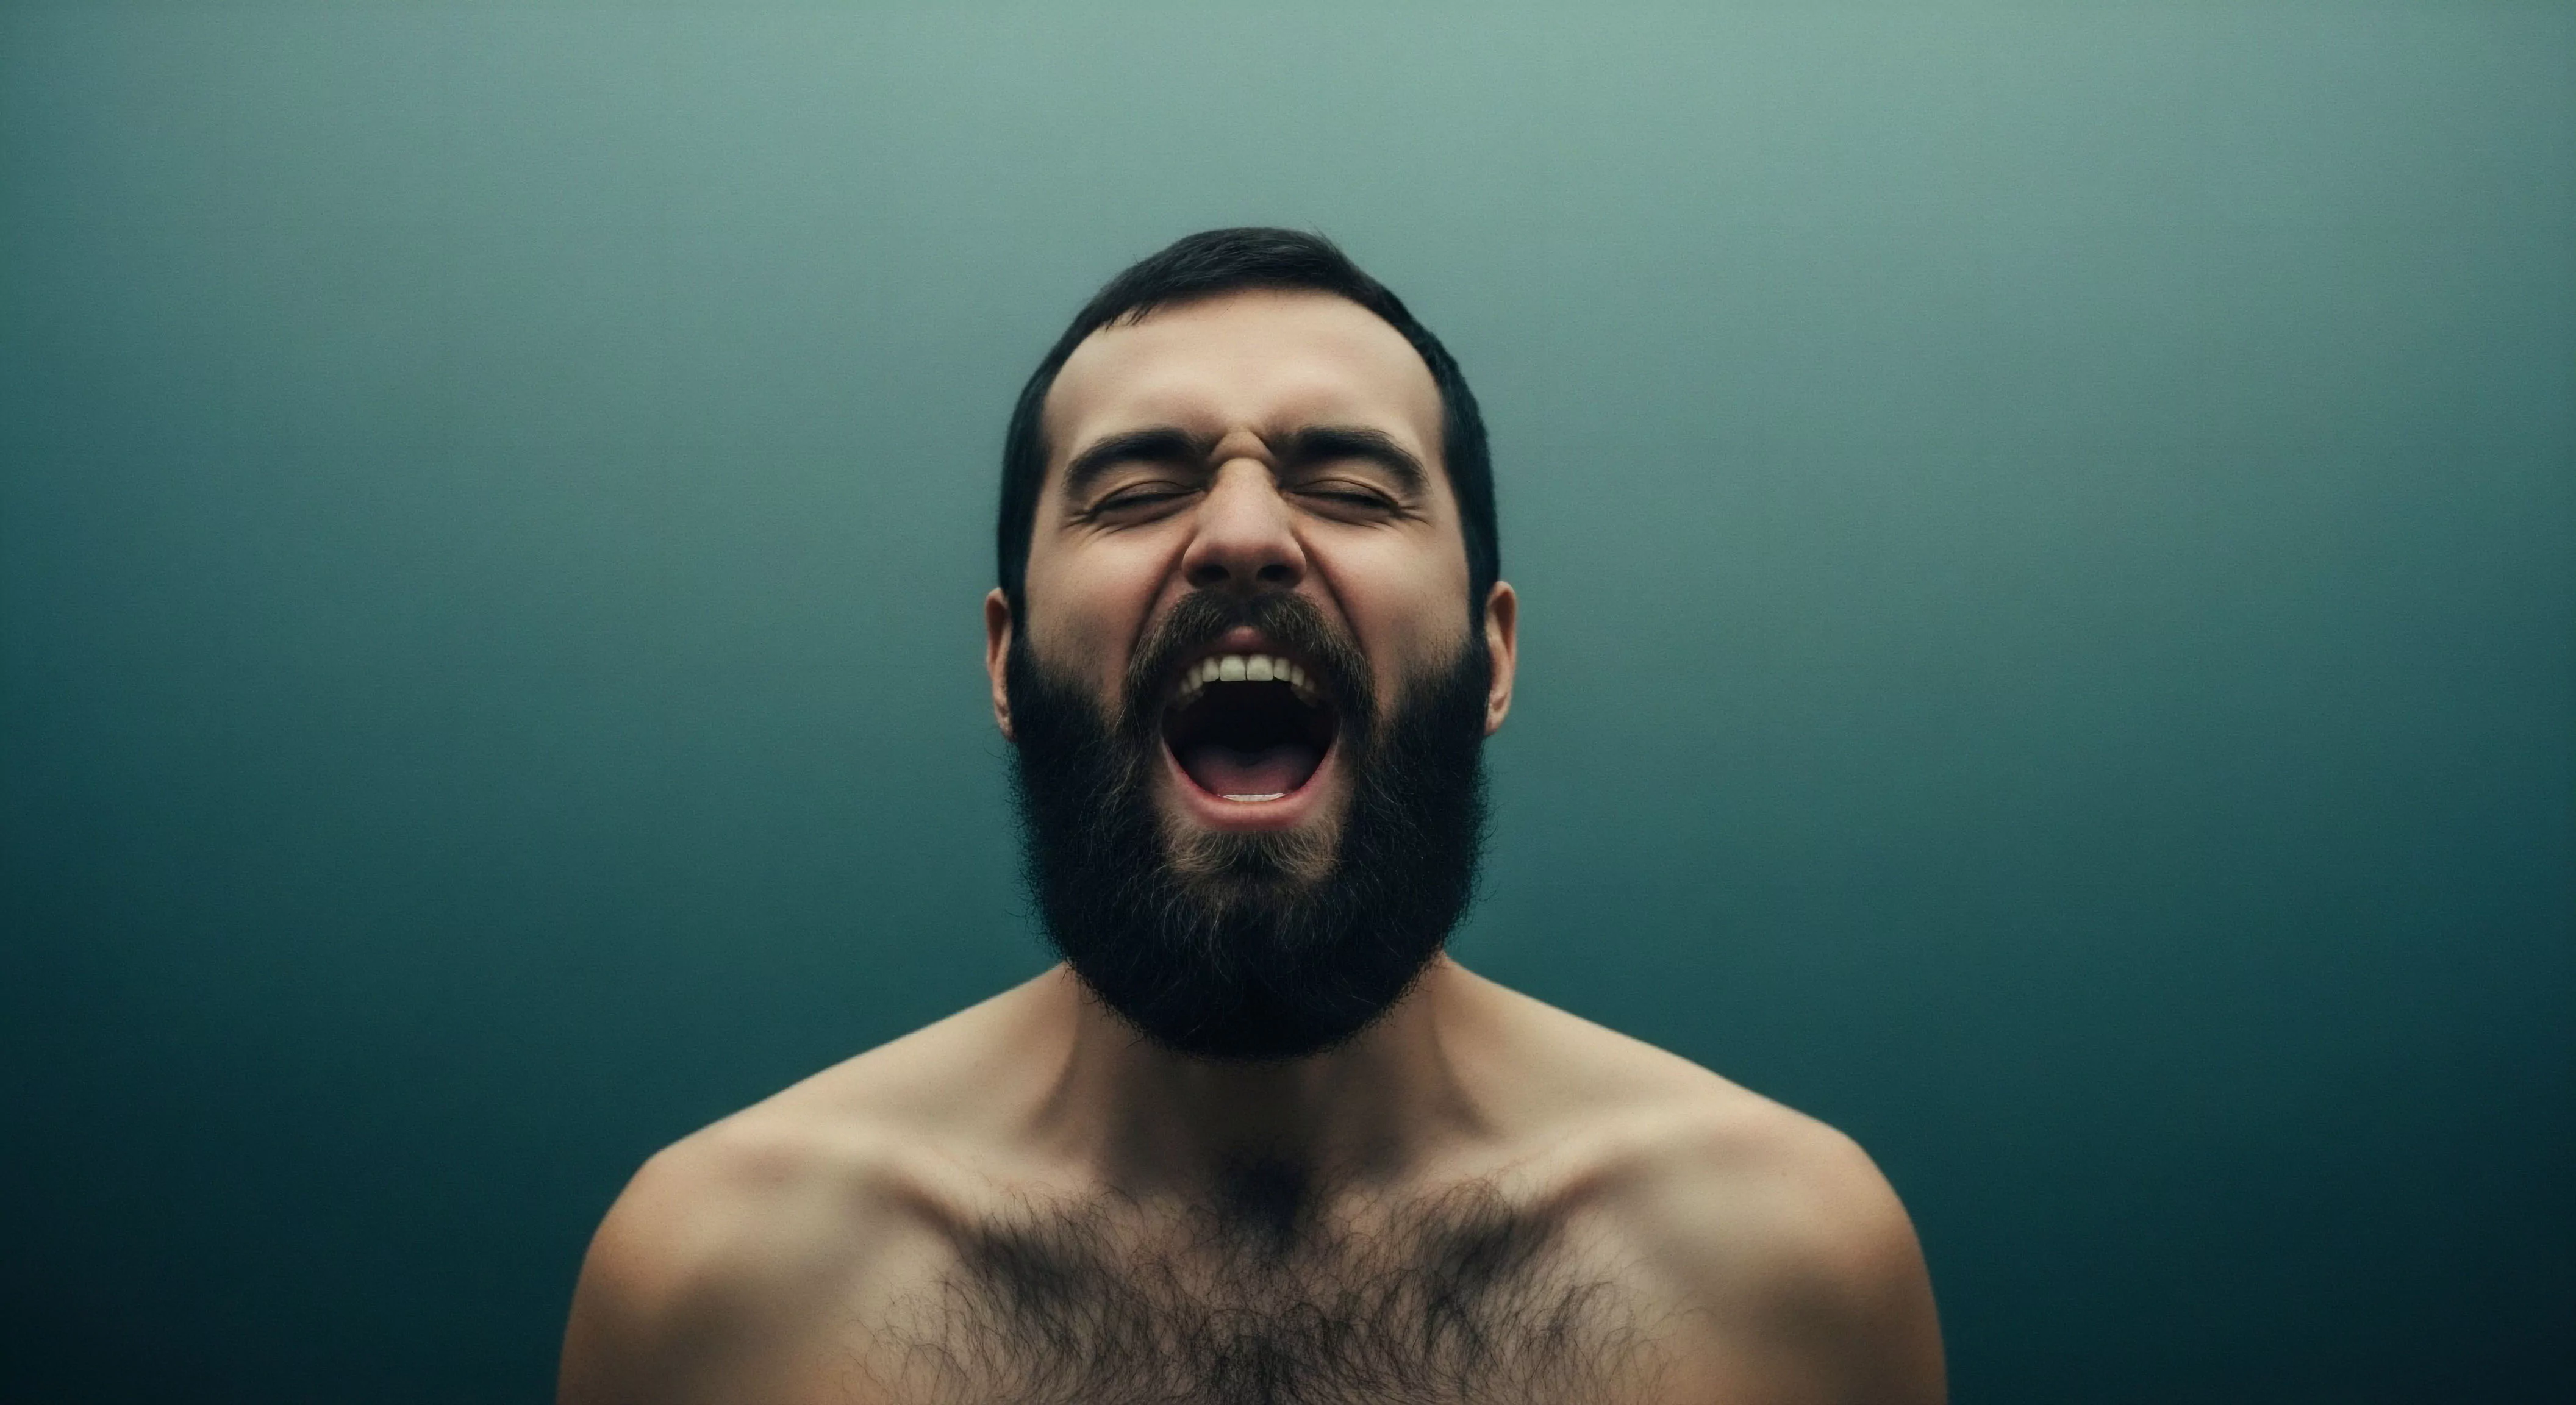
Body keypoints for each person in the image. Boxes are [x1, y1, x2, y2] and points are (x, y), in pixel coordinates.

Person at [556, 228, 1946, 1404]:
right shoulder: (719, 1287)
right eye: (1136, 493)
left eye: (1349, 488)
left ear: (1492, 657)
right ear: (1006, 663)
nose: (1240, 536)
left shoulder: (1784, 1270)